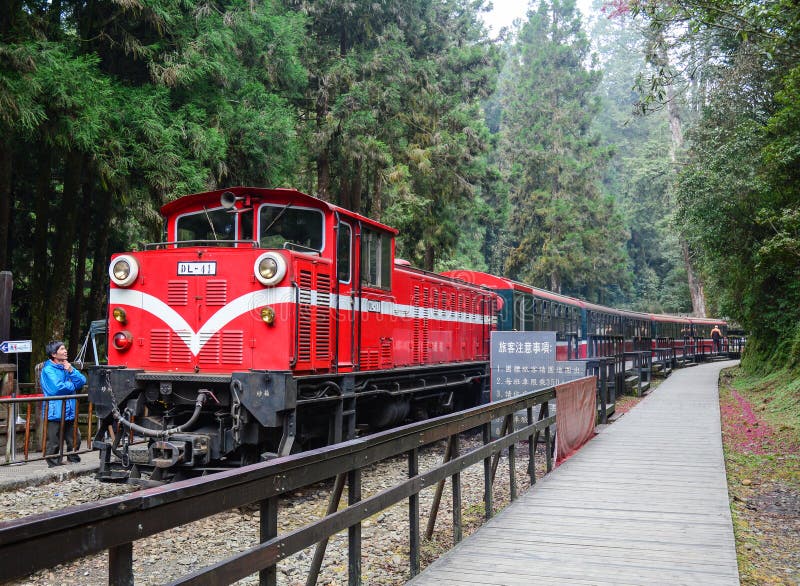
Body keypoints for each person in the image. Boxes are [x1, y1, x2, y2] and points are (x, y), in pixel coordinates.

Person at [41, 340, 86, 467]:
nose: (65, 351)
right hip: (55, 409)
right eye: (61, 349)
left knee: (74, 437)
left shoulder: (66, 366)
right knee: (54, 440)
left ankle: (73, 459)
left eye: (64, 348)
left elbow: (82, 380)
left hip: (69, 408)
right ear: (53, 354)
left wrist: (71, 370)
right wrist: (72, 385)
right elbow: (57, 388)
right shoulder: (48, 370)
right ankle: (53, 464)